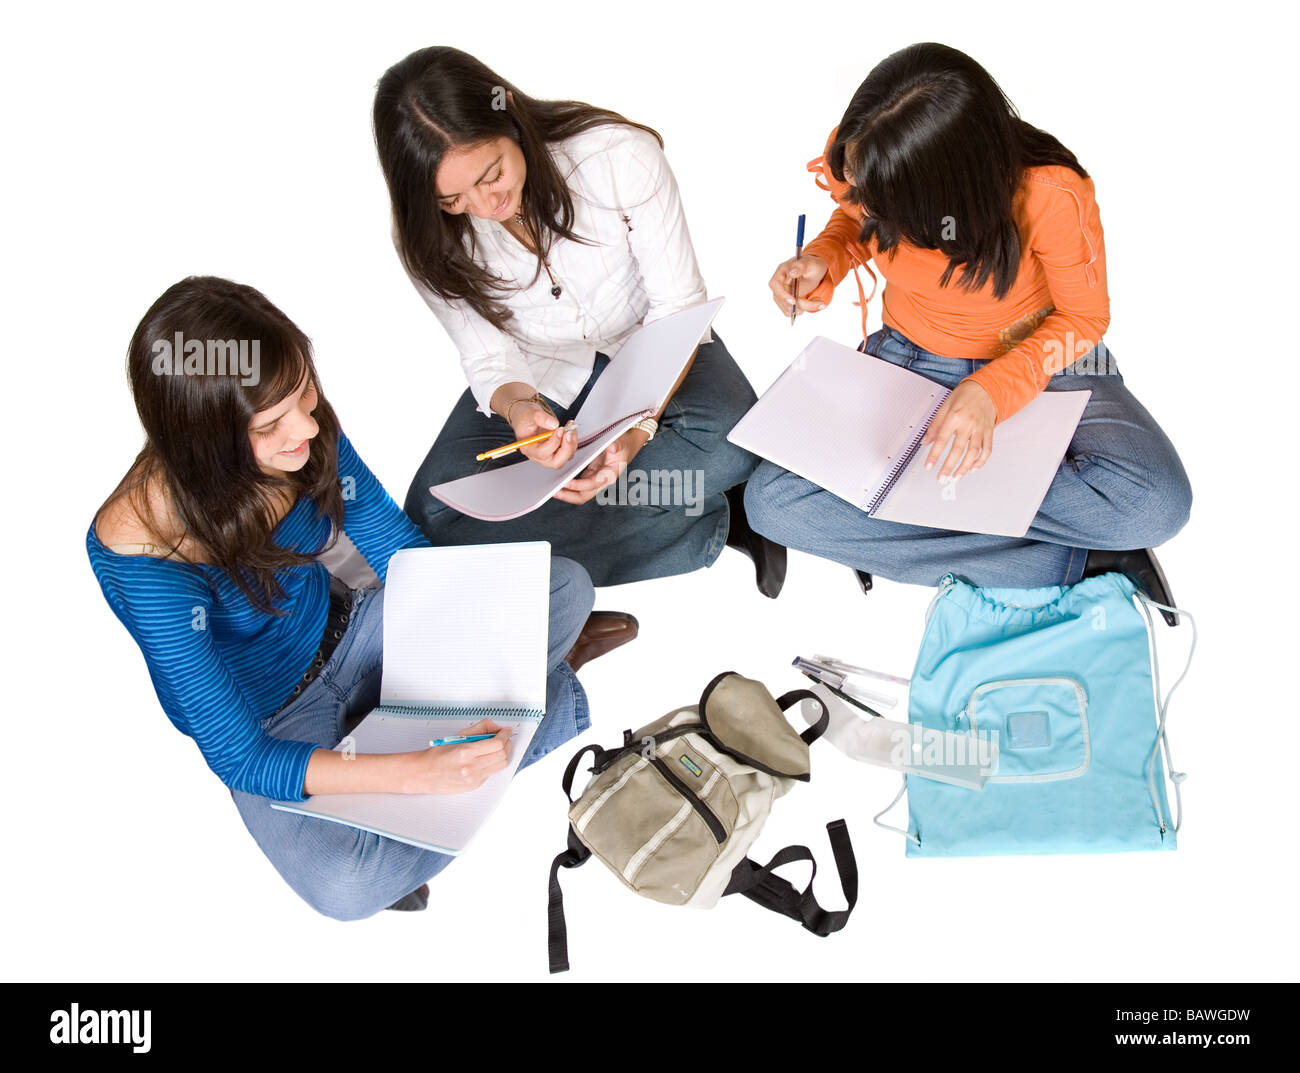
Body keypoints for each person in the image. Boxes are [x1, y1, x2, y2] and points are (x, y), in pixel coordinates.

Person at [87, 276, 634, 920]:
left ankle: (418, 772)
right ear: (204, 443)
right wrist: (415, 773)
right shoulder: (141, 551)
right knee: (345, 888)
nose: (306, 428)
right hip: (275, 722)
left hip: (357, 629)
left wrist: (467, 630)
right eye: (271, 427)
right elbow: (240, 756)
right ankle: (550, 698)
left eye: (304, 396)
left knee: (564, 586)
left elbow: (391, 545)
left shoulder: (298, 424)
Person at [749, 42, 1191, 620]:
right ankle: (1084, 565)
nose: (860, 193)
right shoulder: (870, 145)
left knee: (1154, 505)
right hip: (914, 355)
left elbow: (1083, 318)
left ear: (947, 190)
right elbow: (856, 218)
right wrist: (825, 259)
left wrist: (991, 392)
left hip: (1043, 358)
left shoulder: (1051, 193)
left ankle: (897, 512)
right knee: (772, 506)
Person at [374, 45, 784, 597]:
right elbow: (488, 357)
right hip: (544, 370)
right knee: (432, 516)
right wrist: (521, 411)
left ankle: (647, 514)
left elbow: (677, 306)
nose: (483, 204)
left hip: (660, 347)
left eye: (491, 174)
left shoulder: (617, 156)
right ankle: (711, 522)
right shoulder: (429, 238)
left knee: (733, 443)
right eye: (453, 198)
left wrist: (638, 433)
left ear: (511, 114)